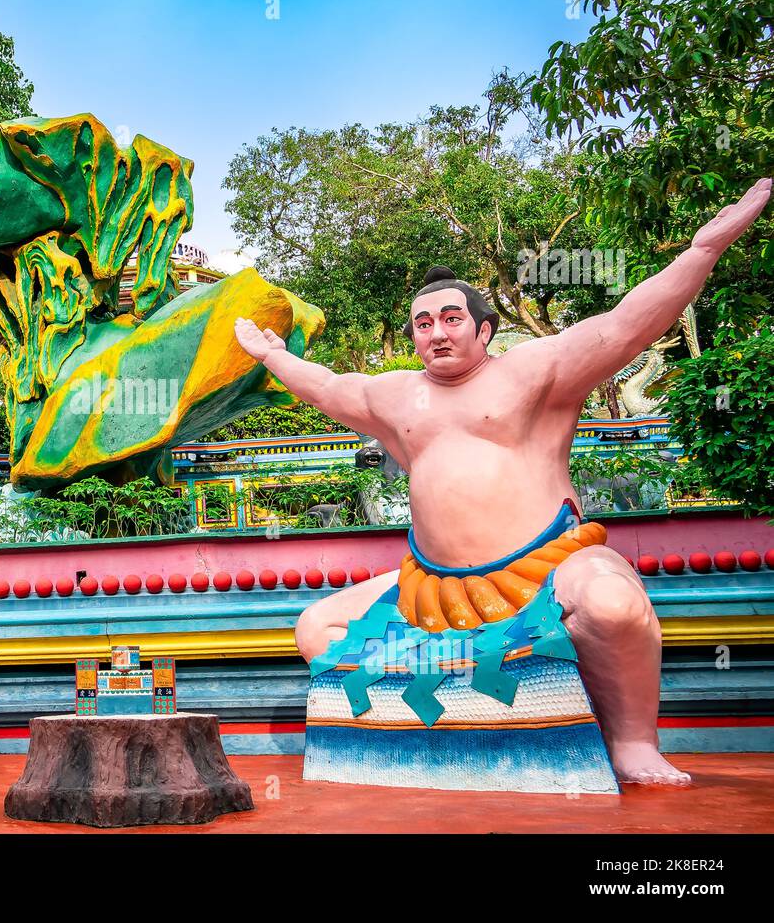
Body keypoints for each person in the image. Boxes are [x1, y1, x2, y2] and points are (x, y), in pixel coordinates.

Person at [234, 178, 772, 786]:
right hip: (430, 589)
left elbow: (626, 325)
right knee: (318, 627)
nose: (436, 332)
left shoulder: (534, 371)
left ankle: (633, 743)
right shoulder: (395, 396)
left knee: (613, 605)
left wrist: (704, 250)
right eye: (422, 322)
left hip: (548, 564)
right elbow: (327, 386)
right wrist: (273, 356)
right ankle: (432, 743)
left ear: (484, 330)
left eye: (451, 318)